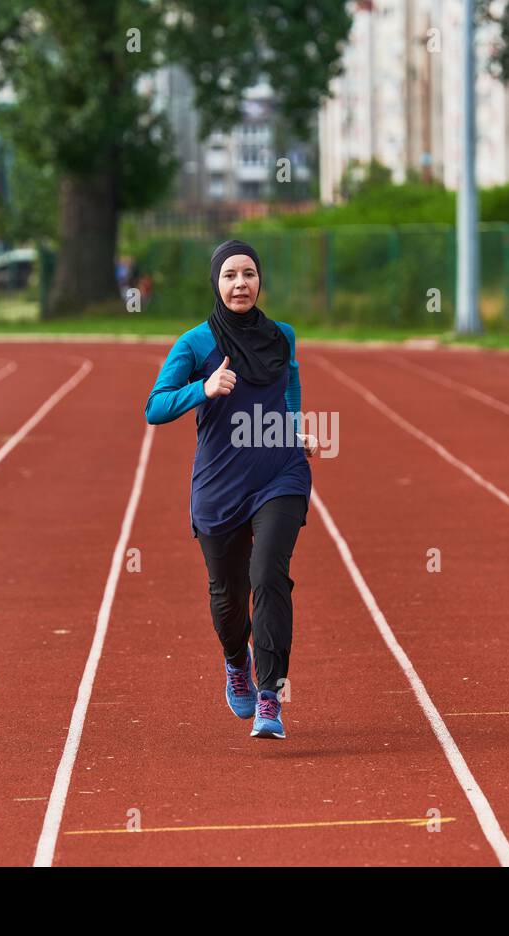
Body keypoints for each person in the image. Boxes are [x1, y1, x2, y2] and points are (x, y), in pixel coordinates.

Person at [144, 239, 317, 739]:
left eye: (248, 274)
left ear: (260, 281)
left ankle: (269, 696)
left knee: (268, 575)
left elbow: (288, 393)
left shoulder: (281, 336)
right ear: (216, 283)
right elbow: (155, 407)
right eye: (229, 276)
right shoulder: (195, 344)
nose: (240, 284)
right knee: (228, 598)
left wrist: (295, 431)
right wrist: (204, 389)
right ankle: (234, 659)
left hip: (279, 475)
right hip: (220, 486)